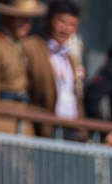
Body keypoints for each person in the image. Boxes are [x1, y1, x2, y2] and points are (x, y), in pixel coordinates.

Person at [0, 0, 58, 135]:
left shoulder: (21, 44)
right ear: (6, 16)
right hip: (2, 122)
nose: (27, 24)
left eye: (29, 19)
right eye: (21, 18)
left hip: (23, 120)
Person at [43, 0, 86, 128]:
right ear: (49, 19)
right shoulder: (34, 48)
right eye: (61, 22)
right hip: (46, 127)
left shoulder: (70, 57)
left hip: (71, 128)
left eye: (72, 25)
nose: (66, 29)